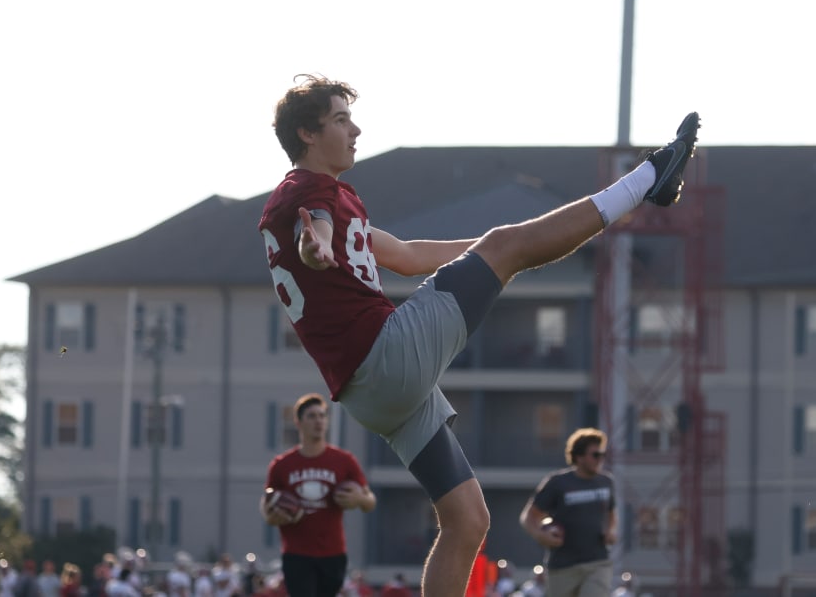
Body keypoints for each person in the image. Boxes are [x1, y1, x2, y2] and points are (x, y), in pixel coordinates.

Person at [258, 74, 698, 597]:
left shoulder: (318, 198)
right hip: (384, 357)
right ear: (308, 134)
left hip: (371, 393)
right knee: (506, 247)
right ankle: (650, 178)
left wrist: (506, 251)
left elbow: (407, 255)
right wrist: (508, 251)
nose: (355, 129)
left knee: (467, 521)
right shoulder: (308, 194)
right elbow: (318, 238)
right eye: (339, 120)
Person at [260, 393, 376, 597]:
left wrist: (360, 499)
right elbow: (267, 502)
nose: (319, 421)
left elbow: (370, 501)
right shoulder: (282, 465)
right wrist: (270, 515)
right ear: (298, 422)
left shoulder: (344, 460)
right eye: (312, 416)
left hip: (333, 552)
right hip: (297, 553)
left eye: (322, 416)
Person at [519, 428, 618, 597]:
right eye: (595, 455)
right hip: (563, 567)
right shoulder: (558, 483)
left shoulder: (606, 482)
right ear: (579, 457)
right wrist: (541, 536)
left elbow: (611, 514)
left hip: (597, 563)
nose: (600, 459)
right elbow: (529, 517)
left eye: (602, 454)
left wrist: (610, 531)